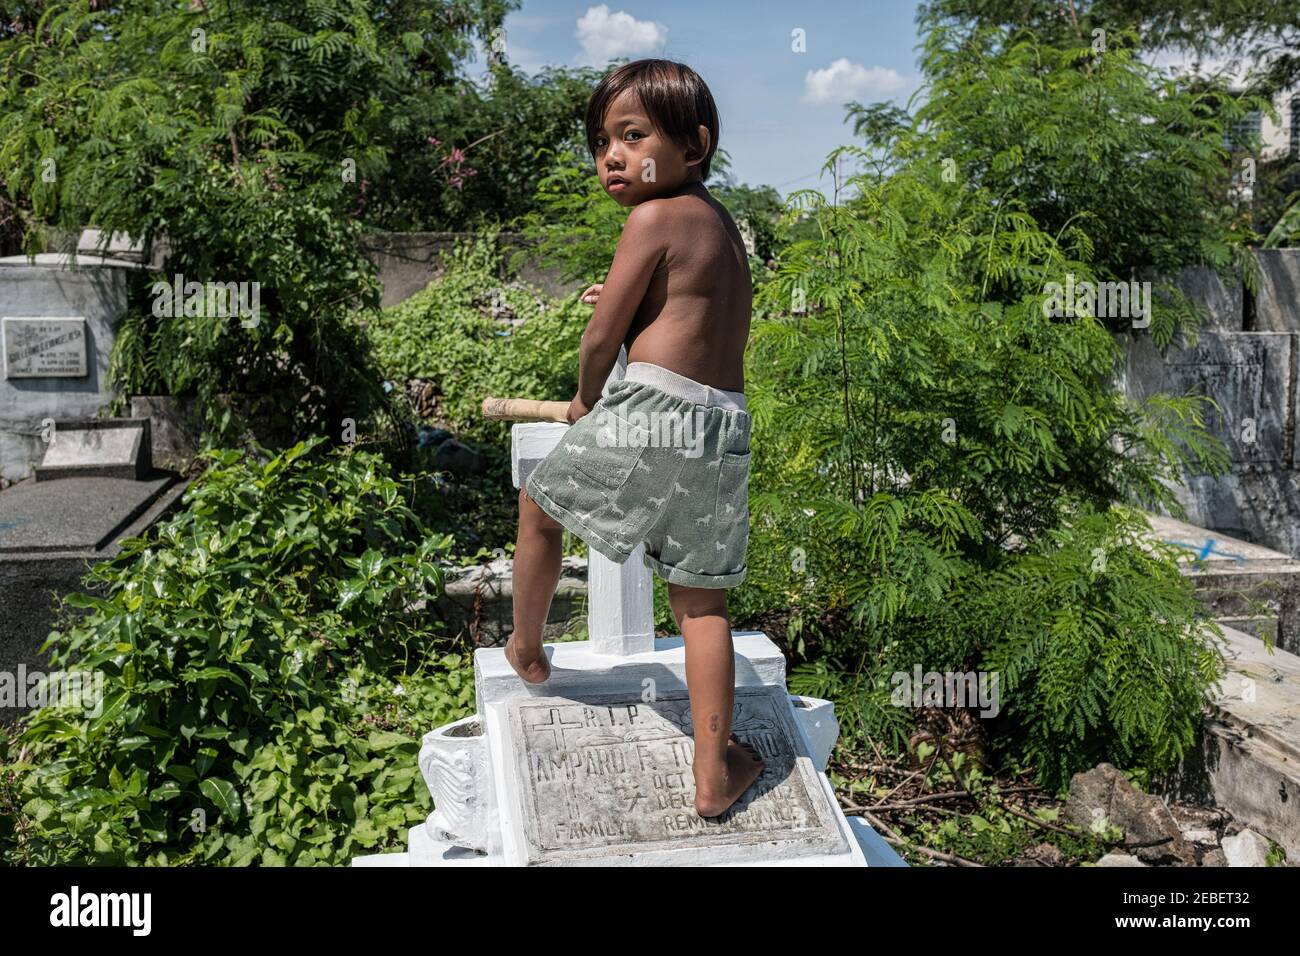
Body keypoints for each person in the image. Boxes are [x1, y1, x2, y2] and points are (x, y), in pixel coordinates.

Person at [504, 58, 763, 818]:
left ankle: (527, 646)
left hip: (653, 408)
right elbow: (692, 308)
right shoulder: (721, 226)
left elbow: (599, 338)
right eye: (601, 142)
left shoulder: (650, 217)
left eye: (633, 135)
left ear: (696, 143)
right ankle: (714, 775)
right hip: (719, 421)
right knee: (701, 607)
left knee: (539, 509)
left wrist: (586, 399)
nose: (611, 155)